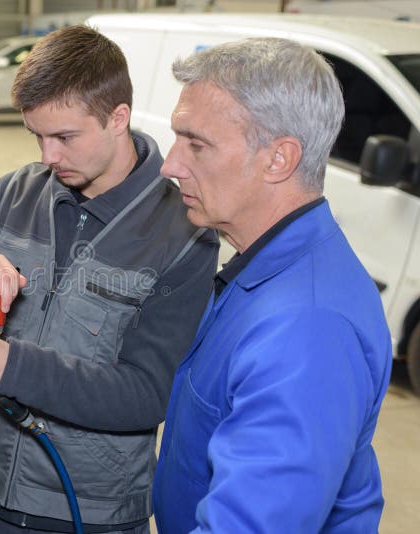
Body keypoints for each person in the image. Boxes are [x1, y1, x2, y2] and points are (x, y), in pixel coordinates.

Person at [0, 25, 219, 533]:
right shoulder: (22, 191)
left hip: (87, 513)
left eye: (65, 137)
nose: (48, 157)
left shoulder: (183, 234)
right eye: (38, 136)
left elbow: (146, 395)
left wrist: (13, 368)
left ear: (118, 117)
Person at [151, 38, 392, 532]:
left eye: (196, 144)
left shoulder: (306, 329)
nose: (170, 165)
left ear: (278, 159)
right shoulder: (270, 265)